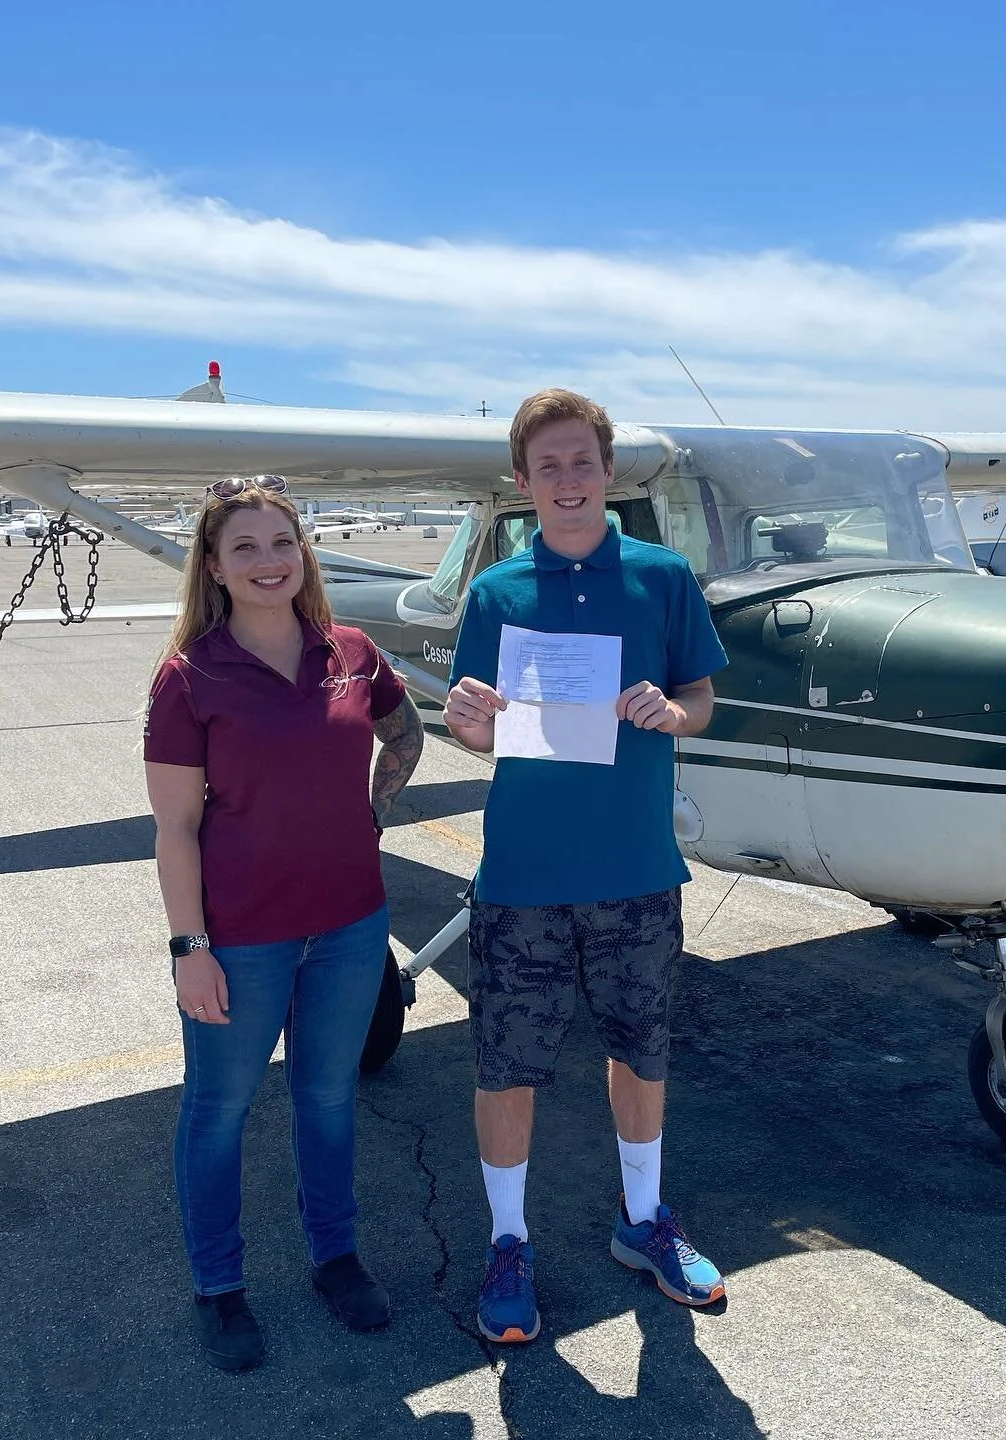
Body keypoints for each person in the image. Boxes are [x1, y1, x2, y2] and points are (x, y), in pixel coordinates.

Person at [443, 389, 729, 1344]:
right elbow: (488, 733)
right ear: (522, 483)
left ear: (609, 472)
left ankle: (644, 1222)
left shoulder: (662, 577)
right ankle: (509, 1242)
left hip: (638, 870)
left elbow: (701, 696)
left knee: (639, 1053)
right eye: (547, 467)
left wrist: (673, 712)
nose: (567, 481)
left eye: (583, 462)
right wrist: (468, 723)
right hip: (522, 874)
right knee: (505, 1065)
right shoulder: (496, 593)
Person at [143, 475, 423, 1373]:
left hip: (348, 925)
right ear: (216, 569)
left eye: (282, 543)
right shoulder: (190, 677)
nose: (269, 562)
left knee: (329, 1098)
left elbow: (404, 731)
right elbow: (175, 828)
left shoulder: (350, 649)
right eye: (246, 549)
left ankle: (334, 1257)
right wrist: (190, 948)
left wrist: (374, 808)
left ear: (303, 553)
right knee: (219, 1110)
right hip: (243, 935)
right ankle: (218, 1288)